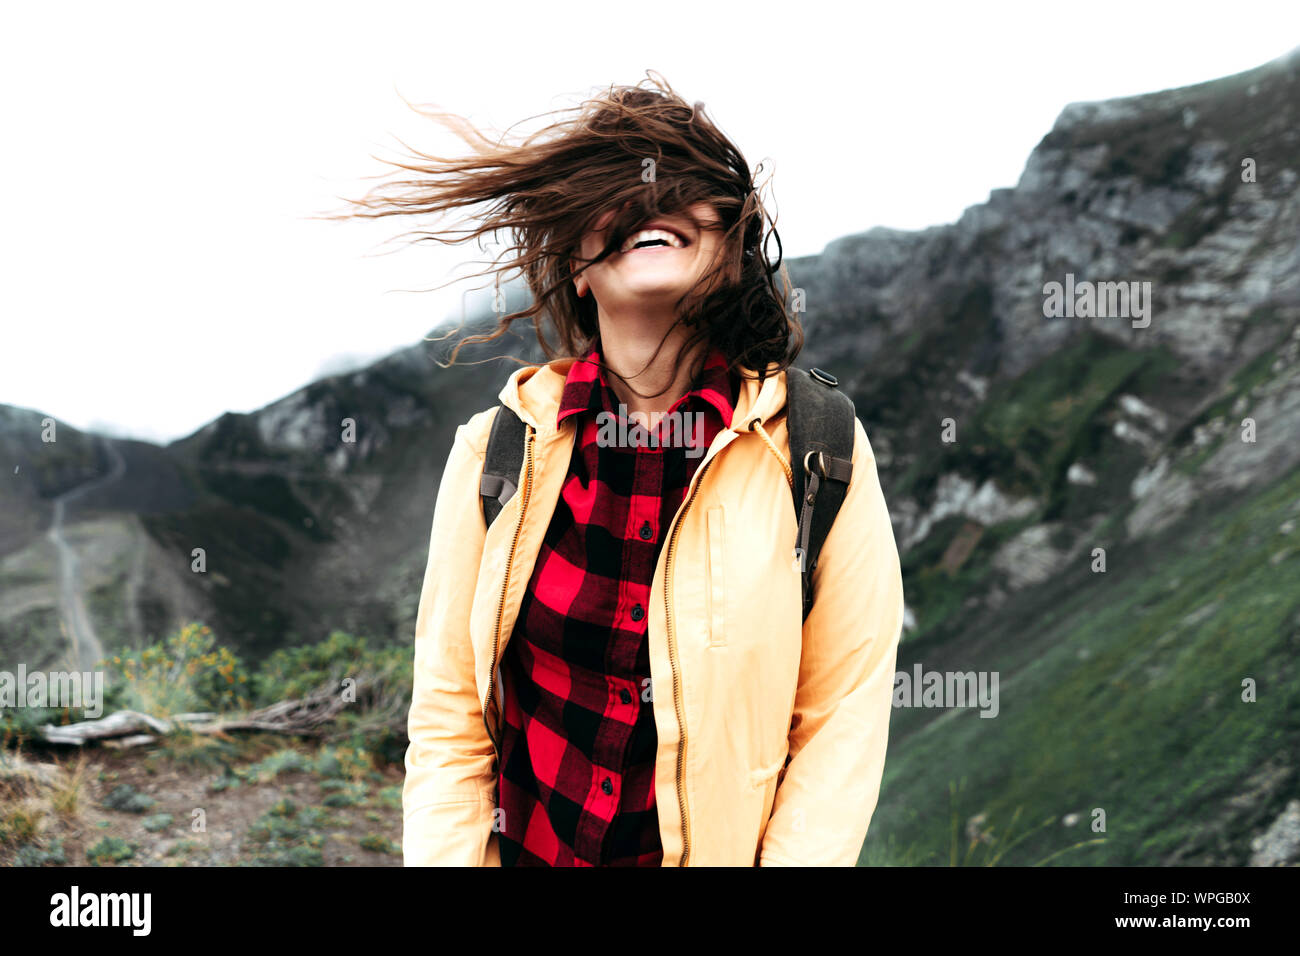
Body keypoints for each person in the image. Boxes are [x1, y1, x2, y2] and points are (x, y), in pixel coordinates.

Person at [344, 71, 904, 866]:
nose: (653, 200)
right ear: (577, 268)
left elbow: (838, 727)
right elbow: (449, 721)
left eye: (689, 187)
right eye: (619, 191)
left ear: (731, 255)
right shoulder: (495, 451)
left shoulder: (819, 449)